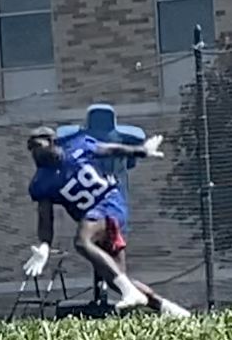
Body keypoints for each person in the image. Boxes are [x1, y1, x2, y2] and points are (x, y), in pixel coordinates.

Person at [22, 126, 191, 317]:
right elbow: (45, 217)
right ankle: (174, 311)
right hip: (94, 217)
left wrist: (141, 151)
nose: (35, 153)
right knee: (116, 278)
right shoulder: (41, 182)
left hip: (109, 203)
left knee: (82, 241)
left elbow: (110, 150)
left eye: (37, 146)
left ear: (52, 142)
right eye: (31, 149)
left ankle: (131, 292)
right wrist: (44, 245)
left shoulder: (78, 146)